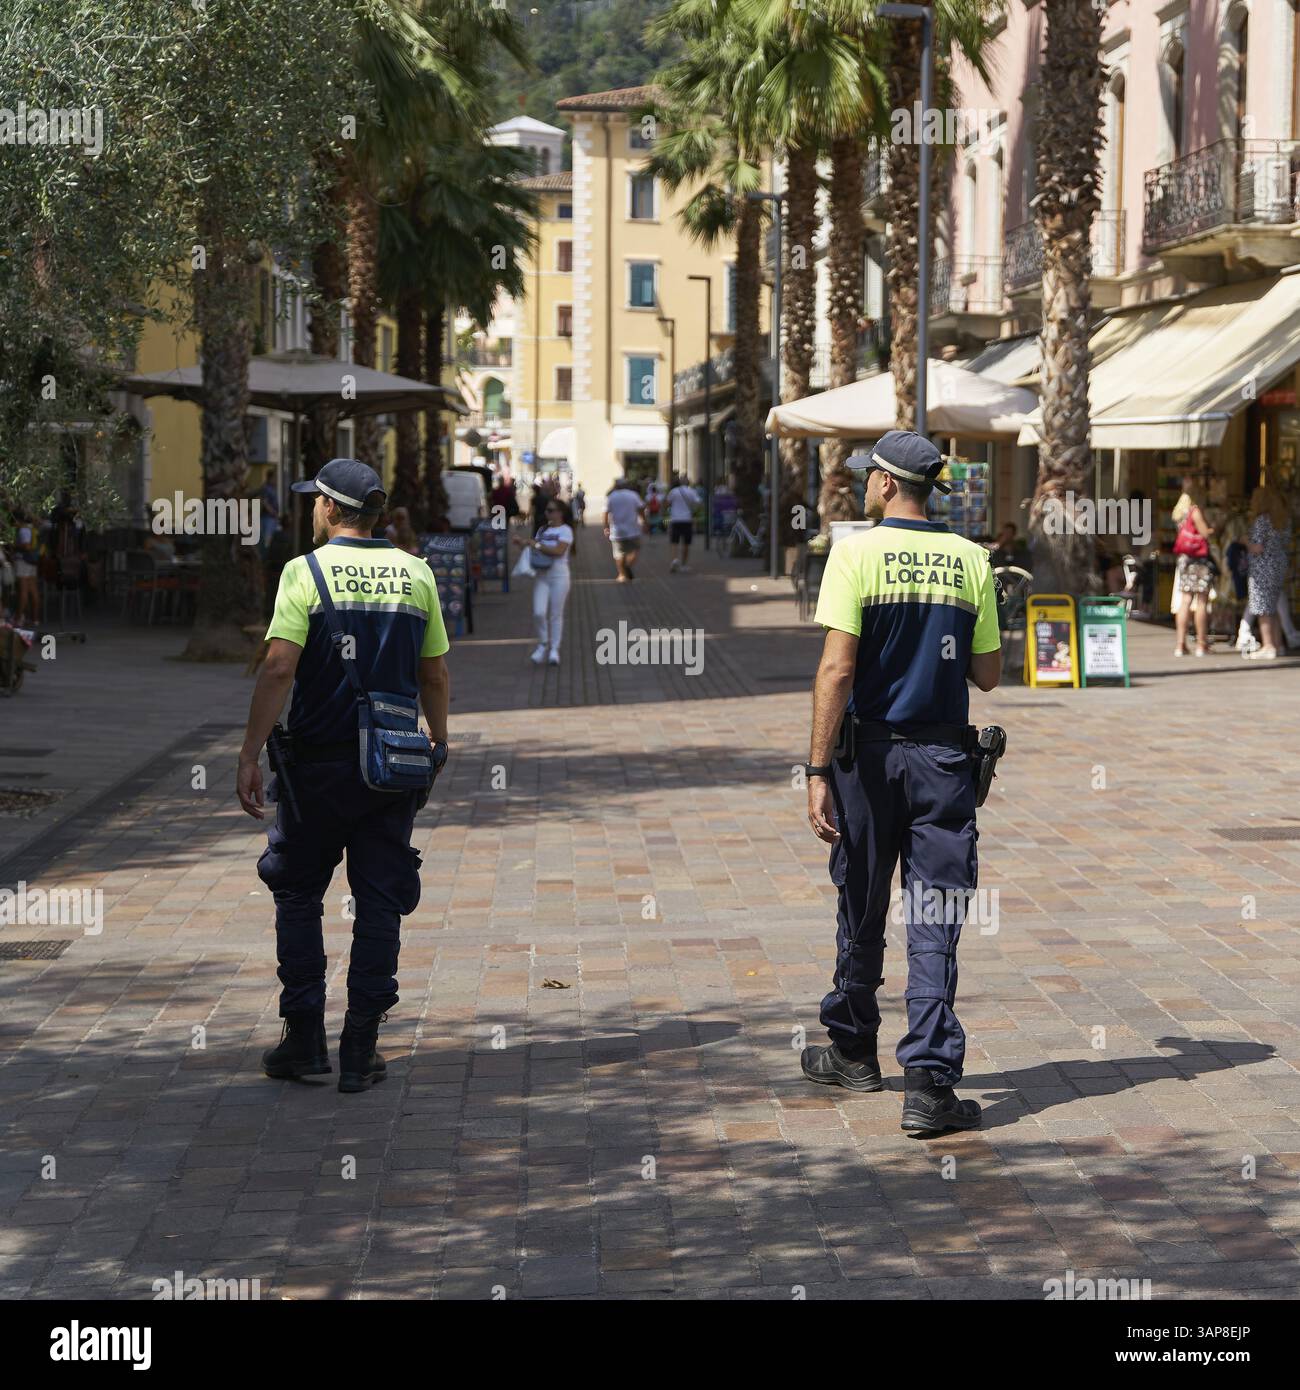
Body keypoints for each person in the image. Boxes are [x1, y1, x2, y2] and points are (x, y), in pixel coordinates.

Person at [802, 430, 1001, 1137]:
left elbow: (836, 671)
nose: (863, 486)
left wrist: (818, 769)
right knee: (936, 912)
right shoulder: (970, 559)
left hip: (868, 758)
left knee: (860, 898)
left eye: (867, 477)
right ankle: (928, 1082)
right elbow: (987, 673)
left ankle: (853, 1048)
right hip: (943, 761)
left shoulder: (854, 553)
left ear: (887, 485)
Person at [237, 458, 450, 1094]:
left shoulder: (303, 573)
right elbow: (435, 672)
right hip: (391, 764)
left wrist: (249, 752)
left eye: (313, 502)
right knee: (380, 897)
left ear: (330, 508)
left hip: (316, 768)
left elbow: (279, 668)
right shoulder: (416, 574)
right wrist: (437, 738)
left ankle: (303, 1039)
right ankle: (361, 1047)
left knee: (298, 890)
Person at [513, 496, 574, 665]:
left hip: (559, 575)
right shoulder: (543, 530)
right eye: (547, 510)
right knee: (538, 612)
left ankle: (554, 649)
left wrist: (536, 545)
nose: (547, 513)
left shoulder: (566, 531)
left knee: (556, 614)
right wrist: (522, 542)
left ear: (560, 513)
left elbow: (559, 551)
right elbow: (535, 549)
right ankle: (543, 643)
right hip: (542, 575)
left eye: (551, 510)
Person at [1243, 484, 1291, 661]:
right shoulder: (1283, 521)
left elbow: (1257, 547)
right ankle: (1278, 645)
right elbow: (1286, 541)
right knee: (1274, 605)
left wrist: (1245, 541)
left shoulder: (1262, 520)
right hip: (1279, 564)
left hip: (1263, 567)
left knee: (1263, 606)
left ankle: (1268, 645)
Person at [1171, 476, 1215, 658]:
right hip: (1198, 560)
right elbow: (1205, 533)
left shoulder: (1180, 513)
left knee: (1185, 600)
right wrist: (1214, 528)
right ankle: (1201, 643)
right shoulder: (1195, 511)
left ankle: (1180, 644)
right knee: (1201, 601)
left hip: (1185, 559)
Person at [604, 478, 646, 582]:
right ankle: (627, 565)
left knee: (619, 553)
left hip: (616, 530)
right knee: (634, 550)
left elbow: (605, 512)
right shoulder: (633, 495)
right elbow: (641, 508)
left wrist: (606, 527)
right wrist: (644, 521)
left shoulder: (611, 497)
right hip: (633, 529)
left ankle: (622, 574)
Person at [9, 510, 40, 627]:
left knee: (23, 592)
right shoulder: (31, 528)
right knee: (33, 591)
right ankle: (35, 619)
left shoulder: (22, 530)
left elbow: (26, 546)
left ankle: (18, 618)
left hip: (23, 562)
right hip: (32, 562)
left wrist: (14, 546)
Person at [666, 473, 700, 572]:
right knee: (686, 543)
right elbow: (698, 502)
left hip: (675, 519)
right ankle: (684, 564)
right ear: (688, 482)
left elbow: (667, 503)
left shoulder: (673, 491)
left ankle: (674, 560)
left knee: (674, 542)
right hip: (687, 520)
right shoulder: (692, 491)